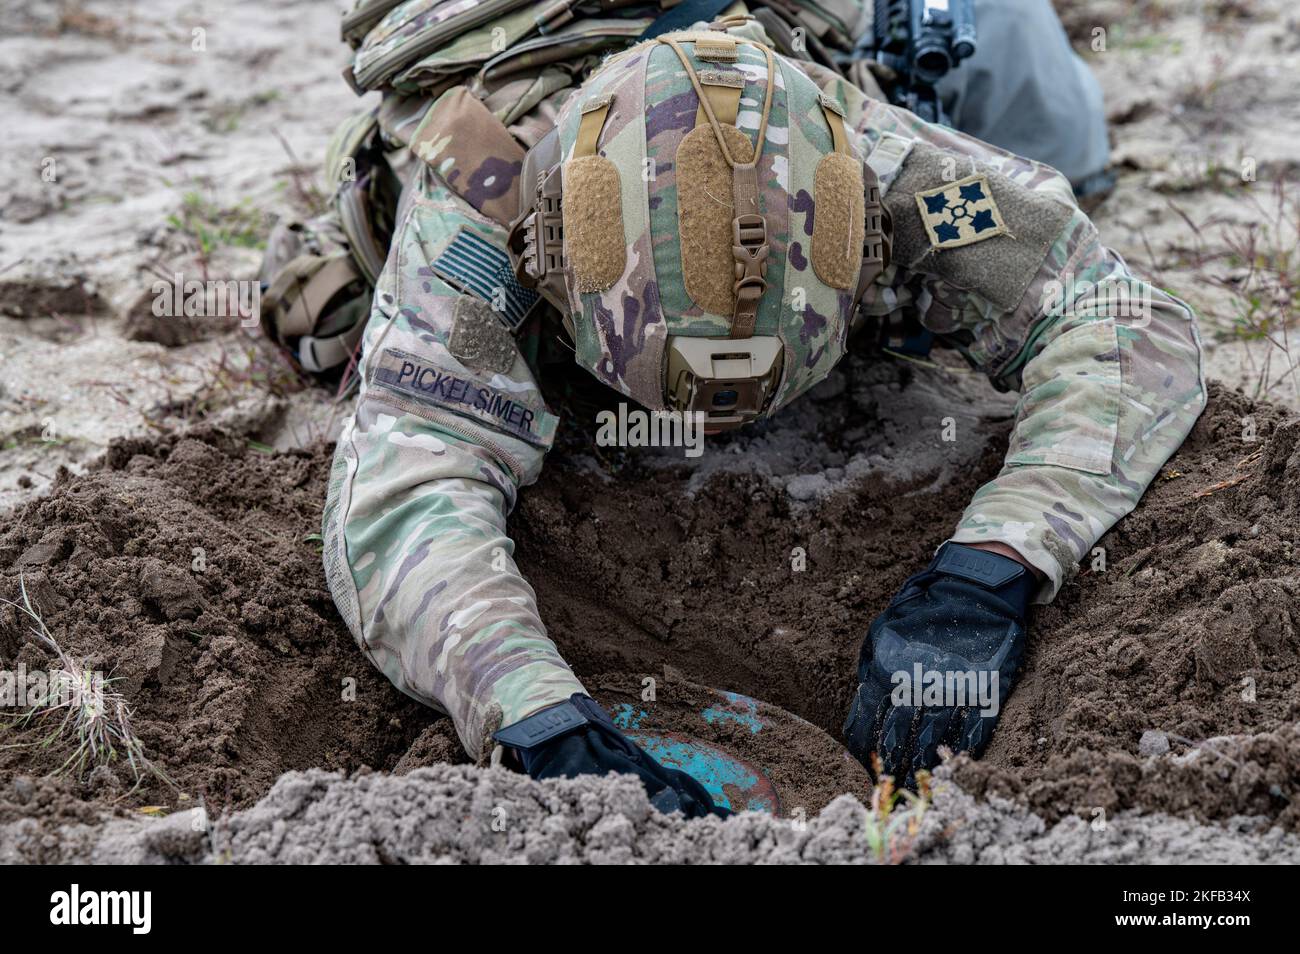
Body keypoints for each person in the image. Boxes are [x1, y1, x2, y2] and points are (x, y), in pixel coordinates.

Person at [319, 13, 1204, 817]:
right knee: (320, 314)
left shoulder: (883, 166)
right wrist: (536, 718)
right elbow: (404, 491)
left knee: (1046, 108)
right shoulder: (490, 220)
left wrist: (992, 568)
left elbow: (1115, 317)